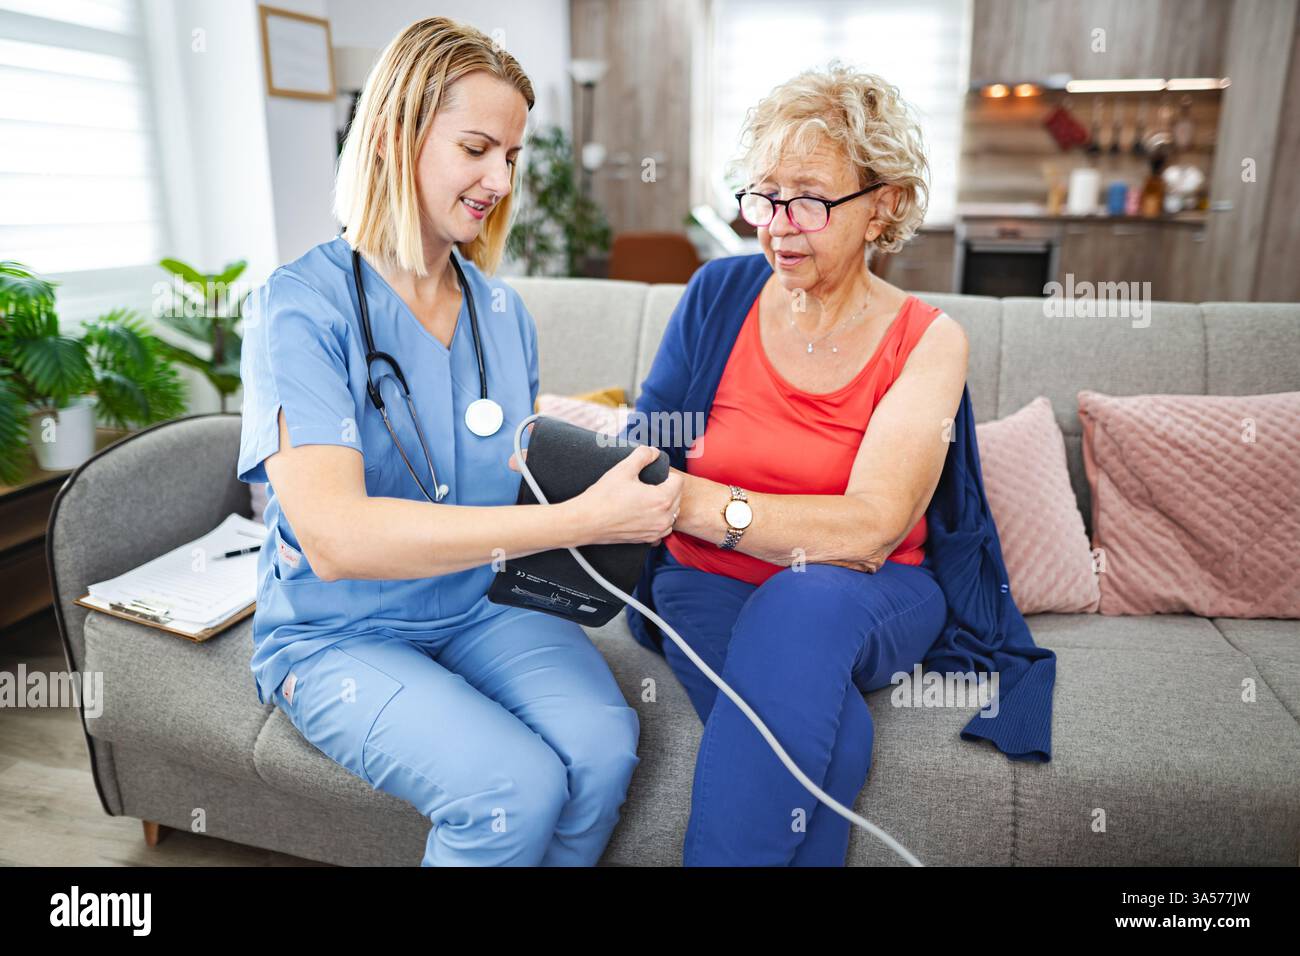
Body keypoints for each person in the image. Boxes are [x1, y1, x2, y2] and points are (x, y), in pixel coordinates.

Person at [235, 16, 681, 867]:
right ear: (398, 132)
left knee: (601, 747)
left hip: (481, 605)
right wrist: (581, 520)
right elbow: (337, 540)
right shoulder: (300, 307)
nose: (498, 179)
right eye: (476, 147)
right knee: (510, 788)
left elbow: (503, 470)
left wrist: (608, 482)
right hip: (339, 634)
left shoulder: (500, 311)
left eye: (510, 156)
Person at [622, 63, 970, 866]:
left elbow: (874, 529)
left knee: (803, 599)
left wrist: (700, 504)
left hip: (872, 589)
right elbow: (647, 458)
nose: (778, 224)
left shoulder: (928, 339)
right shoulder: (716, 295)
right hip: (702, 580)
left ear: (884, 204)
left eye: (809, 198)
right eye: (763, 195)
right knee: (837, 753)